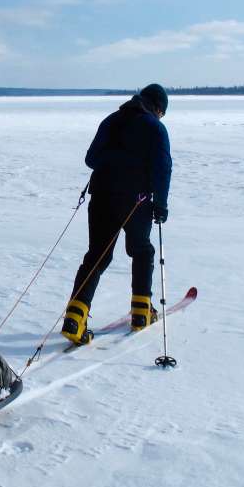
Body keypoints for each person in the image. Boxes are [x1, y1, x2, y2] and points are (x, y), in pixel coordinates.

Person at [62, 83, 172, 345]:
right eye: (162, 112)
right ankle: (141, 313)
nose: (160, 117)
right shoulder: (155, 127)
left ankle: (74, 320)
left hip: (101, 198)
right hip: (137, 202)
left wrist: (116, 158)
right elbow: (163, 169)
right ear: (157, 107)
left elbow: (91, 160)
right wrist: (161, 204)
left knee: (97, 257)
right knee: (142, 250)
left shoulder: (111, 120)